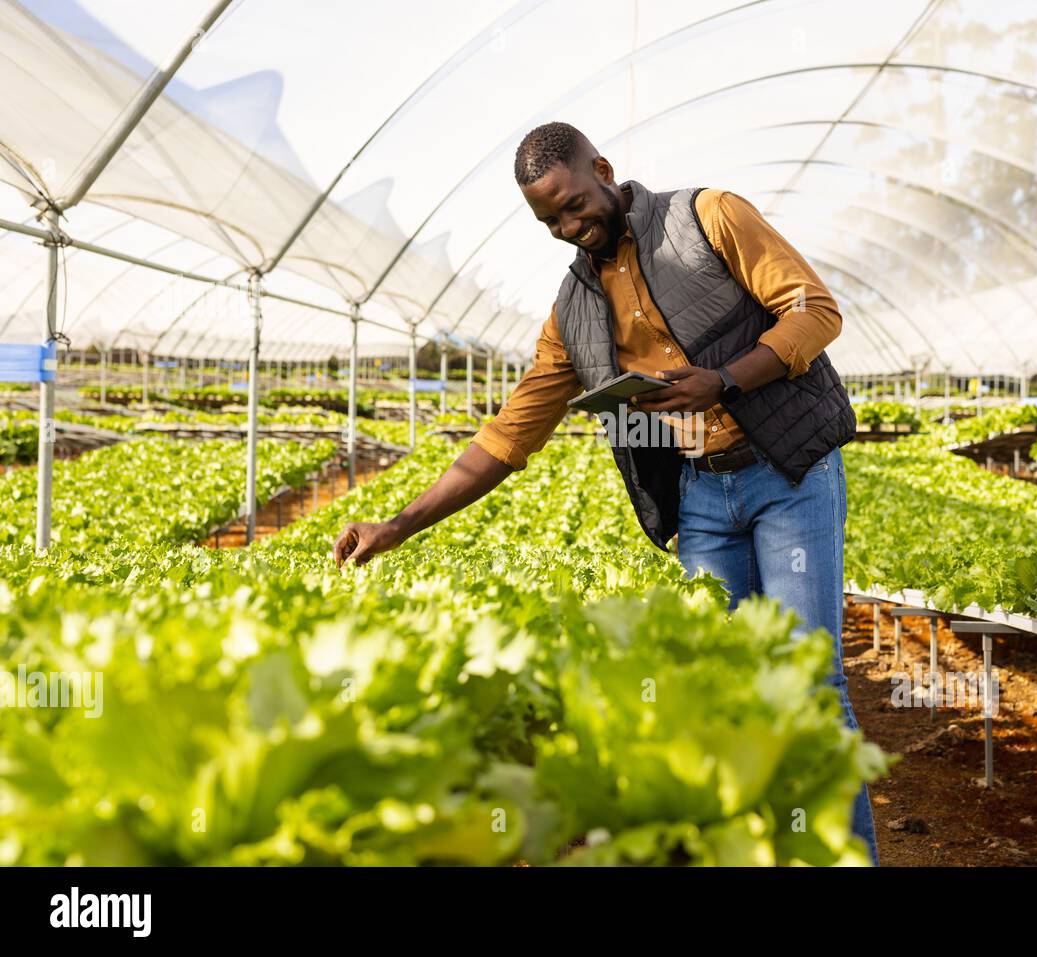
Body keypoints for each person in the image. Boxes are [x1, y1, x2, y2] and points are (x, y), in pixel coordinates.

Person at [332, 121, 877, 864]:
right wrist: (397, 525)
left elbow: (815, 311)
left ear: (603, 170)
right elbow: (506, 437)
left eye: (571, 204)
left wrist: (723, 379)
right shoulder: (572, 313)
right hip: (703, 501)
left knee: (812, 683)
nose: (566, 226)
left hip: (789, 476)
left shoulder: (708, 217)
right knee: (724, 688)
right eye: (548, 220)